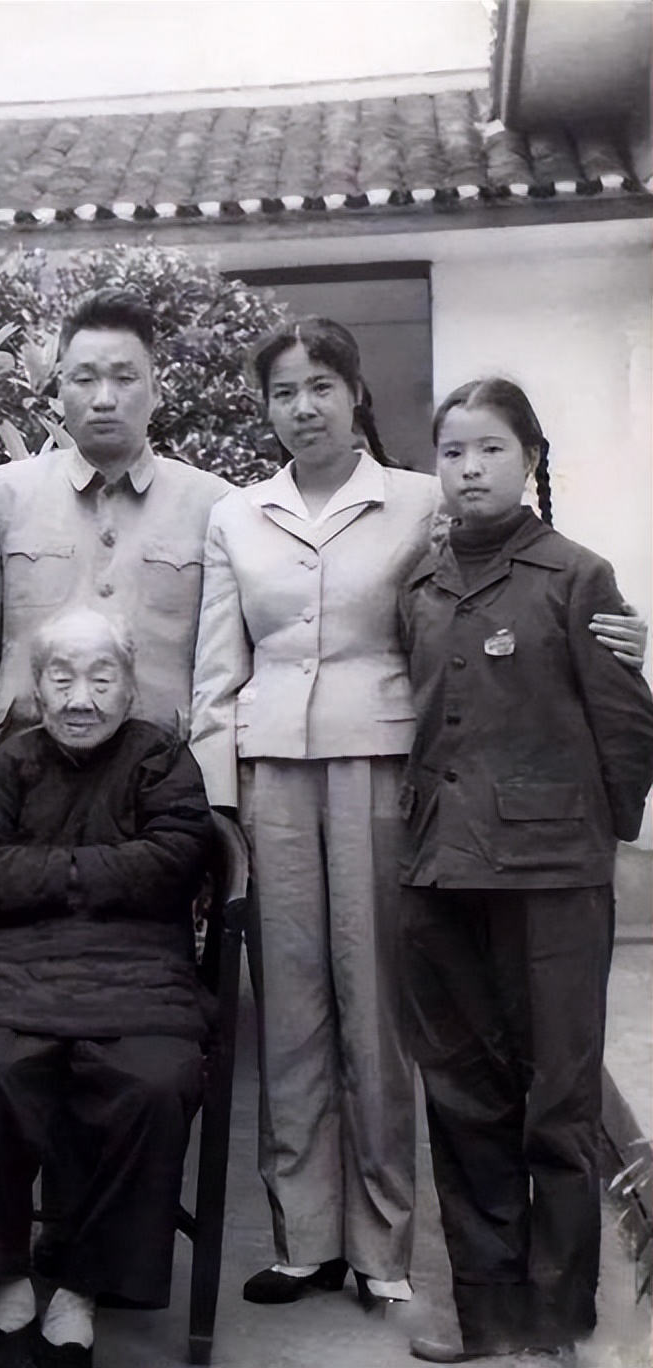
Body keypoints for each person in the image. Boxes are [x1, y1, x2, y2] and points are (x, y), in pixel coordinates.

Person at [189, 318, 646, 1312]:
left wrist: (617, 645)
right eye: (279, 391)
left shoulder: (417, 500)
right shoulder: (235, 515)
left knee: (381, 1012)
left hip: (391, 771)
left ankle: (380, 1242)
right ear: (262, 408)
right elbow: (215, 673)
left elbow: (487, 610)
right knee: (292, 1013)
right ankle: (302, 1235)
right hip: (270, 772)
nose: (300, 406)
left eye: (320, 385)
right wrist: (218, 803)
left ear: (356, 393)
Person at [398, 380, 653, 1364]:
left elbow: (627, 728)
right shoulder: (416, 588)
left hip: (552, 879)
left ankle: (555, 1320)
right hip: (434, 873)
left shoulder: (576, 578)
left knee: (555, 1098)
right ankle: (485, 1316)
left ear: (529, 460)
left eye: (491, 449)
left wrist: (595, 837)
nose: (469, 467)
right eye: (452, 450)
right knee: (462, 1095)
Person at [0, 608, 210, 1368]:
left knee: (153, 1085)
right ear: (37, 689)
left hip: (140, 975)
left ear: (129, 688)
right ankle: (2, 1285)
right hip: (11, 973)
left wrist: (50, 873)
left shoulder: (163, 762)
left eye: (100, 678)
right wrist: (97, 874)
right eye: (61, 678)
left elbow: (177, 859)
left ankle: (82, 1290)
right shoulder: (5, 766)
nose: (80, 698)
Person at [0, 288, 230, 750]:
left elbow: (222, 669)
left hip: (162, 770)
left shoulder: (213, 503)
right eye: (84, 379)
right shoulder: (1, 494)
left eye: (125, 379)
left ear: (157, 391)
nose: (104, 399)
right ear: (59, 390)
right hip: (24, 765)